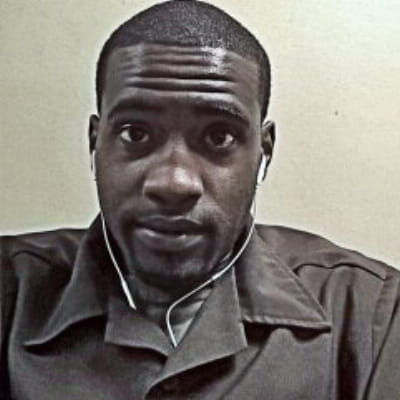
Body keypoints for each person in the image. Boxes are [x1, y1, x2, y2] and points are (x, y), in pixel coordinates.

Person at [1, 1, 399, 399]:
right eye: (136, 134)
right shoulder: (12, 292)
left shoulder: (369, 317)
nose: (174, 182)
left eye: (219, 137)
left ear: (264, 151)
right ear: (95, 143)